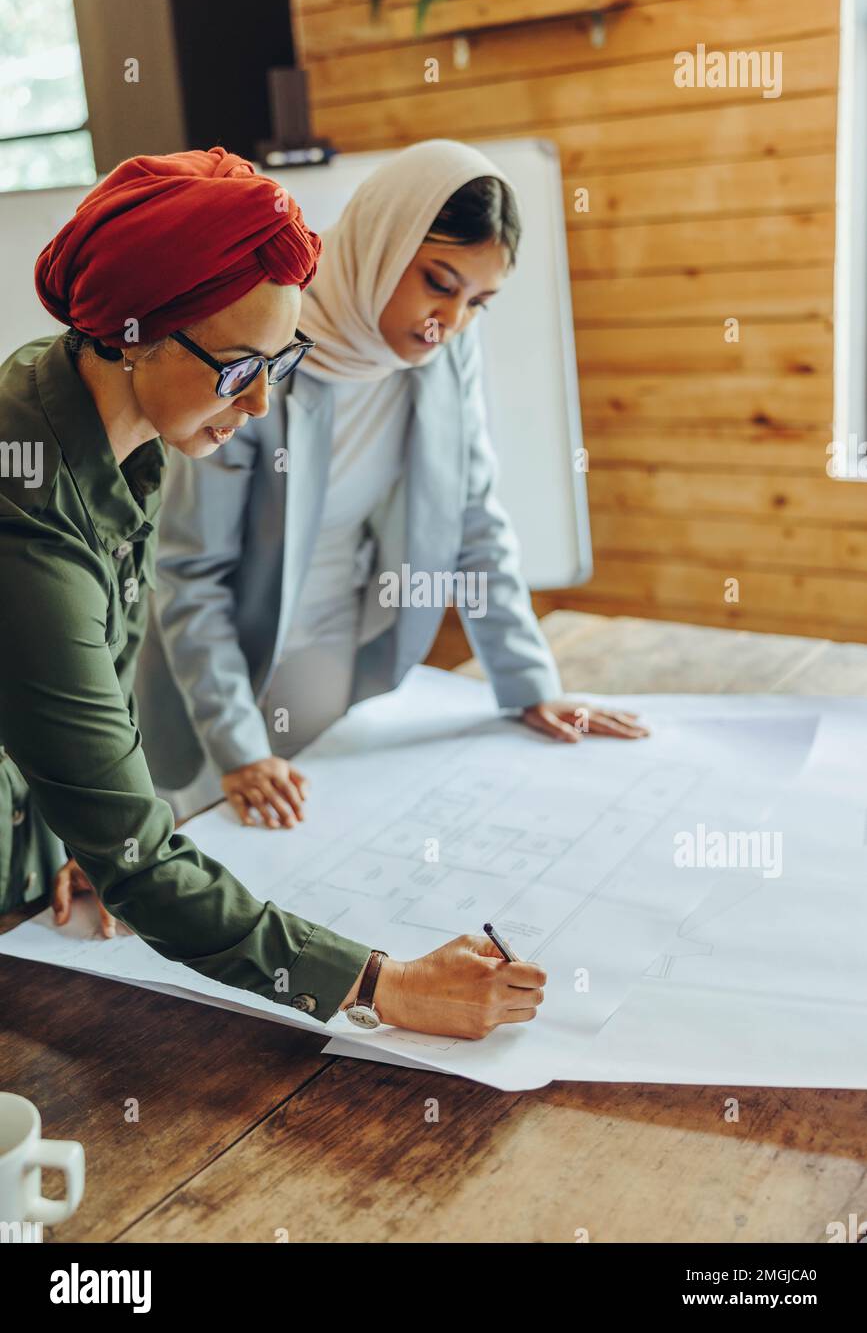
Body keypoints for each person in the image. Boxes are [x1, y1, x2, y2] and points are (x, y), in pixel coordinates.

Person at [0, 145, 544, 1041]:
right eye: (234, 367)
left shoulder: (98, 405)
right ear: (134, 329)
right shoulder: (25, 513)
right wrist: (388, 985)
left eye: (281, 362)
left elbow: (76, 695)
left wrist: (78, 835)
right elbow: (139, 860)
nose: (258, 406)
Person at [138, 139, 647, 833]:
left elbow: (473, 521)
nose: (453, 321)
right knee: (196, 850)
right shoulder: (263, 346)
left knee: (308, 844)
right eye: (439, 282)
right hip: (210, 669)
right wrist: (239, 749)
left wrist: (530, 686)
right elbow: (192, 576)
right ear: (383, 242)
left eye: (479, 301)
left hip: (333, 649)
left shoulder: (444, 355)